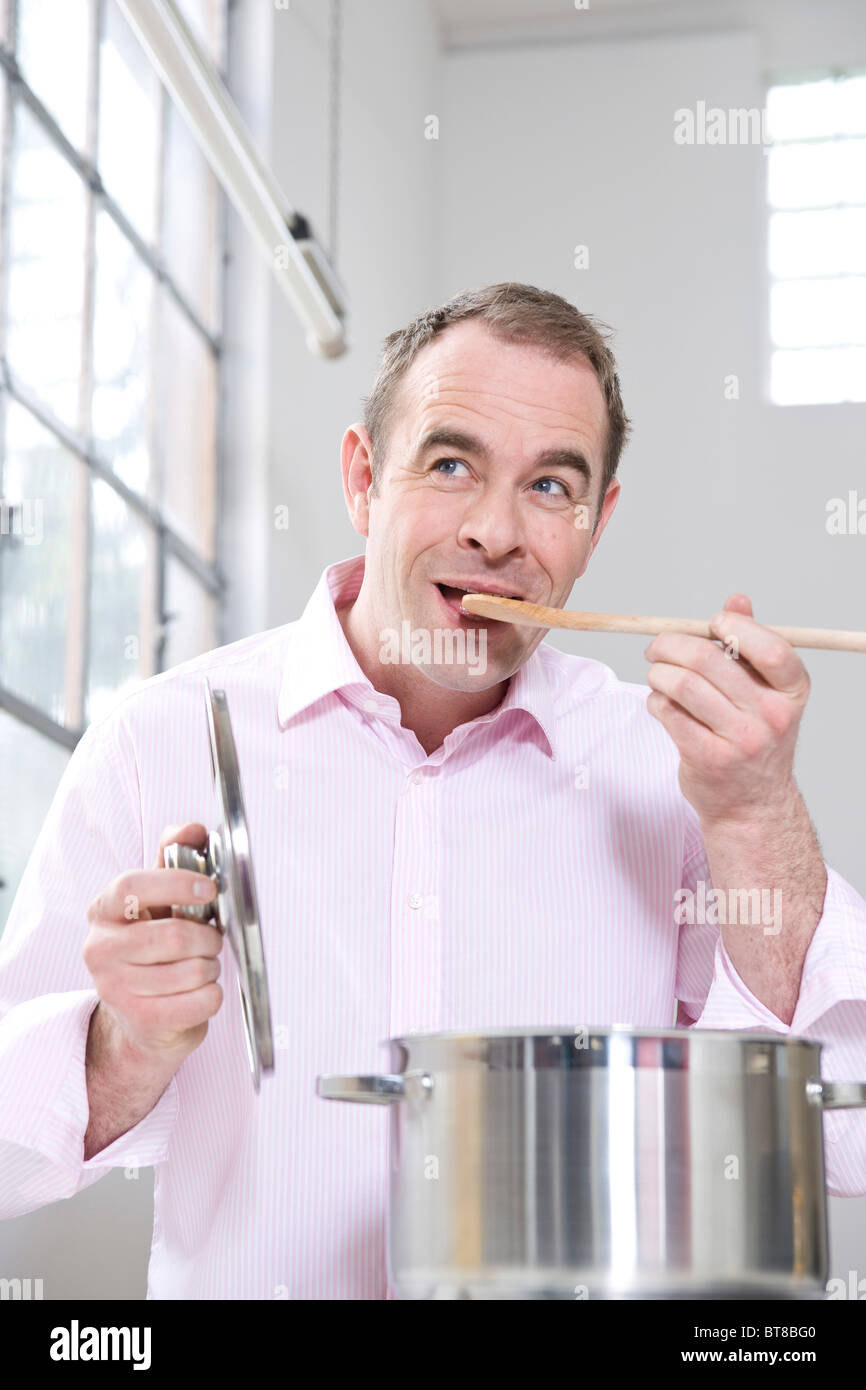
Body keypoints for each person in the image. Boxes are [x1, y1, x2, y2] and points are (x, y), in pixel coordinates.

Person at [1, 283, 864, 1300]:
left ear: (594, 524)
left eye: (549, 486)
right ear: (363, 478)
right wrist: (121, 1046)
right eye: (451, 464)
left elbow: (839, 1149)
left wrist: (758, 816)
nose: (495, 532)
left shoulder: (676, 771)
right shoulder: (163, 738)